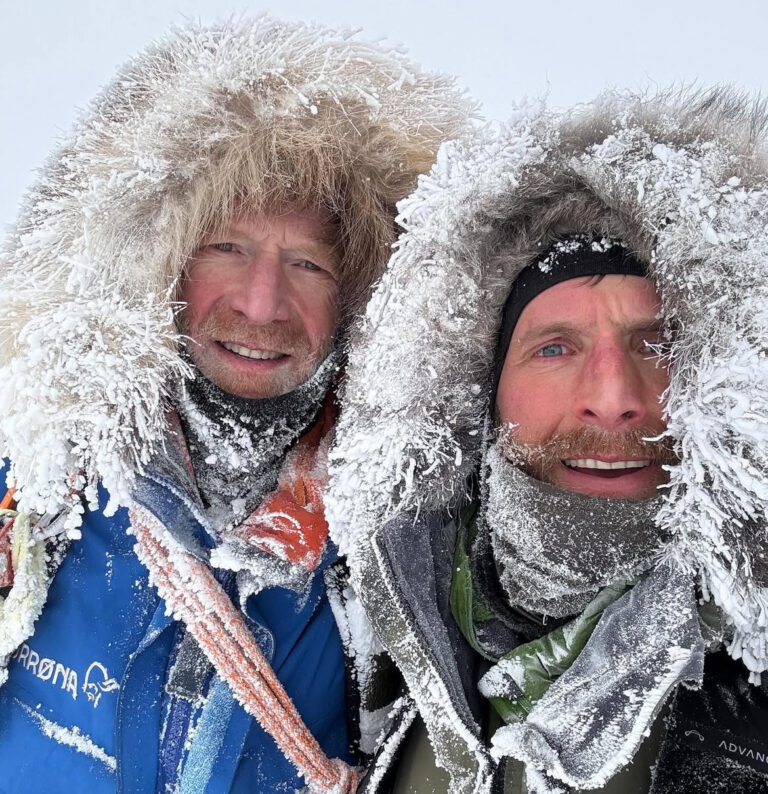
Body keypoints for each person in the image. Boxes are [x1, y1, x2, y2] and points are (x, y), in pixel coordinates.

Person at [0, 17, 470, 793]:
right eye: (228, 248)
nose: (262, 304)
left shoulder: (401, 543)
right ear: (162, 257)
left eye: (308, 263)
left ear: (361, 291)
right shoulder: (35, 479)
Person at [326, 89, 768, 793]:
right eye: (556, 348)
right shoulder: (389, 642)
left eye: (655, 344)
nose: (613, 399)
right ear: (483, 391)